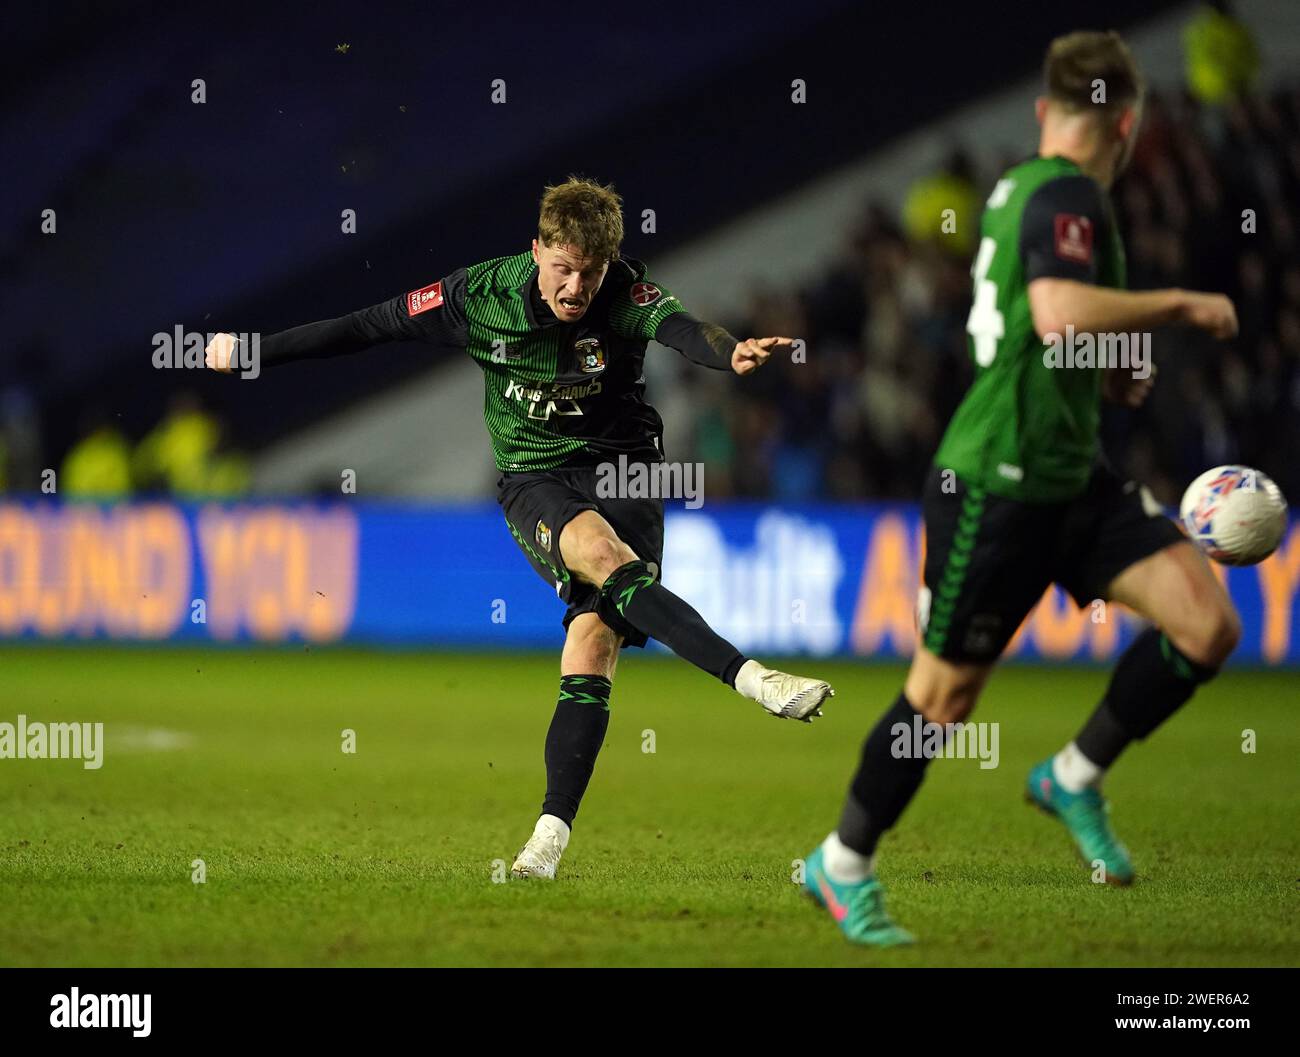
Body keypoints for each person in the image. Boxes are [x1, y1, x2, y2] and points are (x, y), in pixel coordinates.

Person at [206, 177, 834, 879]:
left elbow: (683, 329)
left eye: (589, 274)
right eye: (562, 267)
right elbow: (367, 326)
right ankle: (753, 678)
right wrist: (256, 349)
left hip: (624, 472)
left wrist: (730, 351)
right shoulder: (477, 296)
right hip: (534, 478)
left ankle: (548, 837)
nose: (575, 287)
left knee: (592, 647)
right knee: (600, 555)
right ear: (536, 250)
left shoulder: (626, 294)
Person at [803, 31, 1241, 946]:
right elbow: (1055, 312)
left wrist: (1109, 369)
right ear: (1126, 124)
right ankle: (840, 863)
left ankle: (1074, 774)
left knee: (1206, 621)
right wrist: (1179, 306)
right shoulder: (1072, 194)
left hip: (1071, 472)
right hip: (996, 483)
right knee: (942, 699)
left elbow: (1041, 332)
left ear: (1047, 111)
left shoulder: (1018, 187)